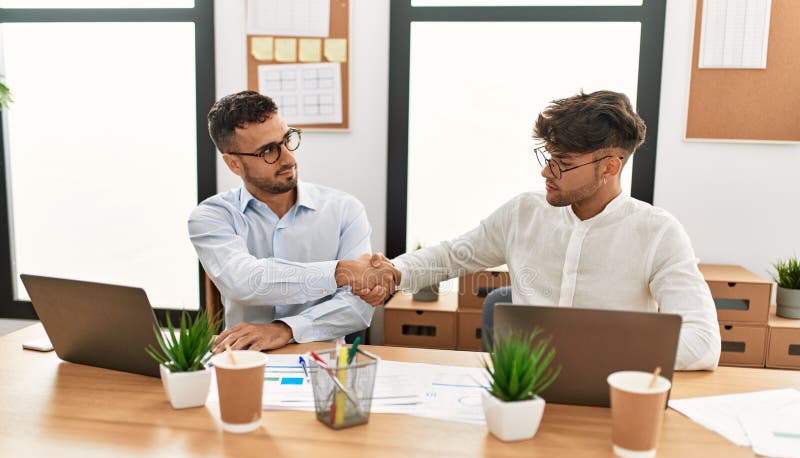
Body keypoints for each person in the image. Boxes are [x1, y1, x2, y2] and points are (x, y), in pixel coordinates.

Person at [360, 90, 721, 371]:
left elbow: (702, 343)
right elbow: (454, 255)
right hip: (523, 394)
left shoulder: (658, 233)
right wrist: (395, 272)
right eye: (548, 157)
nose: (547, 173)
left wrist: (603, 354)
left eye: (563, 164)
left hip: (609, 395)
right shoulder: (525, 212)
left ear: (609, 166)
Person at [189, 90, 395, 352]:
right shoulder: (212, 217)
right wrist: (341, 272)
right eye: (268, 151)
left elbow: (357, 308)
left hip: (324, 362)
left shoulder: (345, 210)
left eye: (287, 140)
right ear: (234, 164)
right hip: (244, 362)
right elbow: (243, 281)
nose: (288, 158)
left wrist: (287, 329)